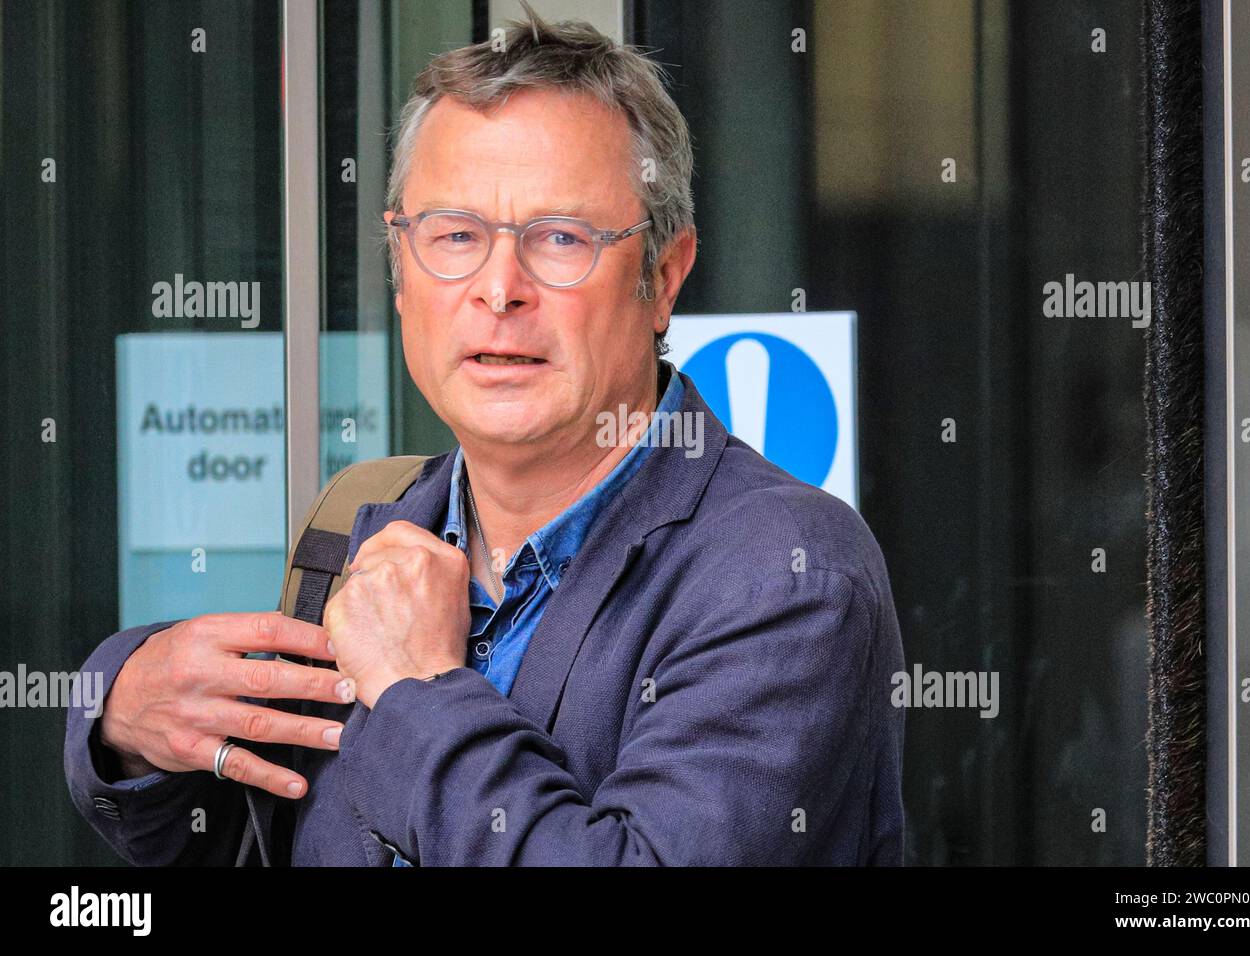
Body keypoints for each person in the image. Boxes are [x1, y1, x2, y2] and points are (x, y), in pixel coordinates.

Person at [65, 4, 905, 866]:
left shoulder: (786, 575)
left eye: (560, 238)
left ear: (662, 276)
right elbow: (243, 842)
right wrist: (121, 715)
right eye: (455, 235)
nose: (499, 289)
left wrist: (416, 691)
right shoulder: (364, 524)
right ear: (399, 277)